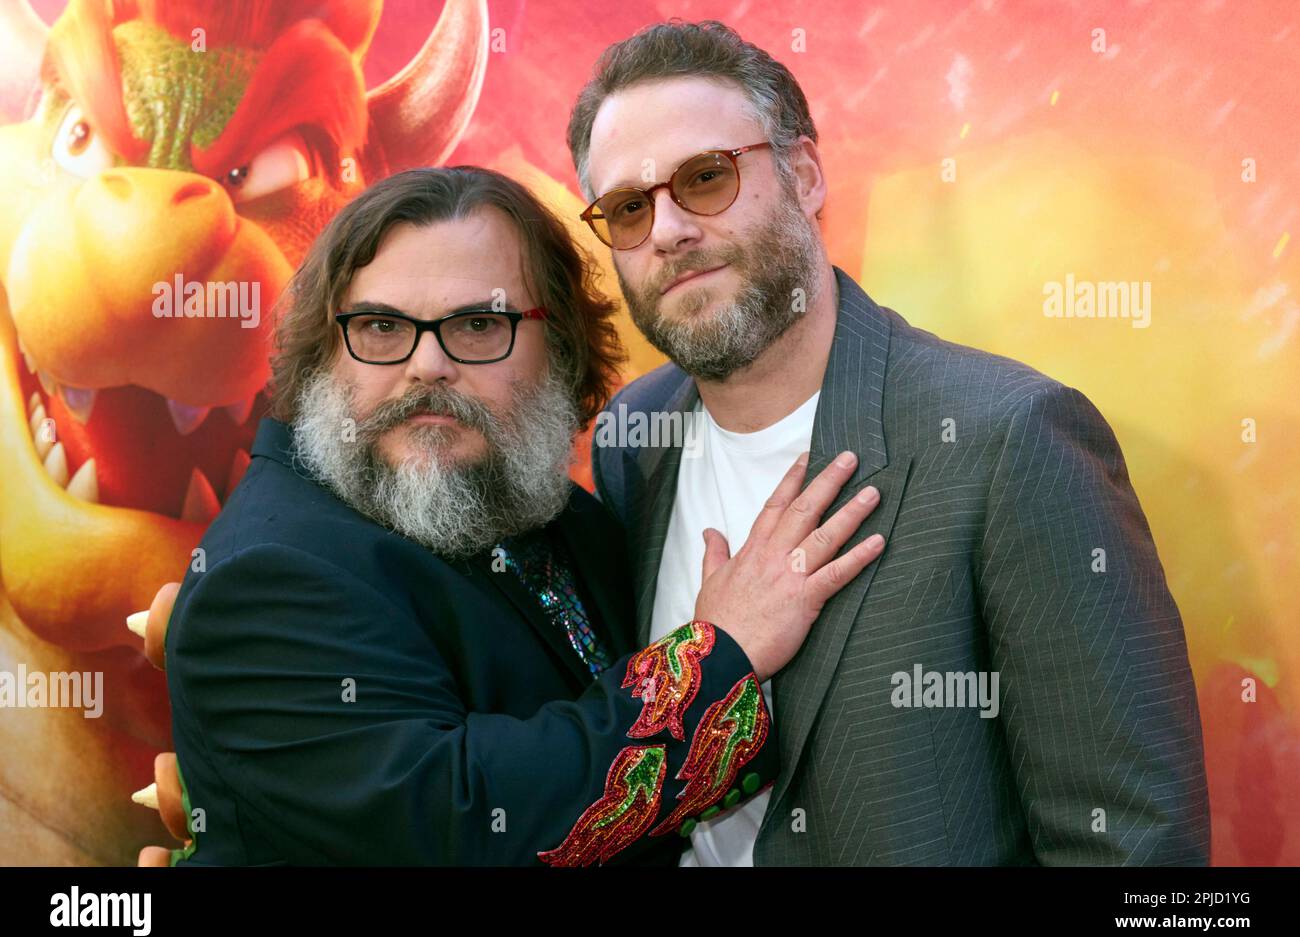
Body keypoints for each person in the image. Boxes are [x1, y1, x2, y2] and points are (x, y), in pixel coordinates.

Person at [568, 19, 1211, 865]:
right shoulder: (630, 439)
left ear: (803, 175)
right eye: (628, 206)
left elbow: (1134, 845)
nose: (669, 230)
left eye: (706, 177)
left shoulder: (1010, 439)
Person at [132, 165, 885, 865]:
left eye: (480, 326)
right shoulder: (267, 577)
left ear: (558, 350)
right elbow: (462, 823)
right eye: (383, 328)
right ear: (325, 353)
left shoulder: (560, 515)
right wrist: (723, 654)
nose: (426, 364)